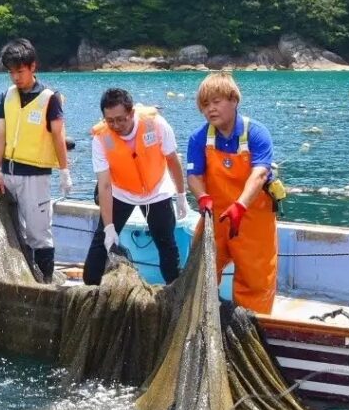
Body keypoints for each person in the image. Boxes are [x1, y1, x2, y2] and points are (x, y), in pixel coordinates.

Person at [186, 73, 279, 313]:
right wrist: (202, 196)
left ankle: (252, 324)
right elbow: (194, 175)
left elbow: (260, 173)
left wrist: (240, 205)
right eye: (205, 104)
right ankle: (202, 315)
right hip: (215, 215)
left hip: (252, 218)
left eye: (216, 102)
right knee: (201, 271)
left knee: (255, 281)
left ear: (234, 100)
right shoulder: (198, 138)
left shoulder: (256, 133)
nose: (210, 109)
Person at [82, 89, 188, 286]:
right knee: (101, 243)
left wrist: (181, 195)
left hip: (156, 190)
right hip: (121, 191)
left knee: (166, 244)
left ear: (131, 113)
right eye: (110, 121)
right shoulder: (101, 138)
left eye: (120, 119)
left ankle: (174, 289)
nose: (116, 126)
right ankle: (90, 287)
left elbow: (173, 160)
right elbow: (104, 184)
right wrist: (109, 227)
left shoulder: (156, 124)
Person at [0, 39, 72, 281]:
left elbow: (58, 136)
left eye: (20, 71)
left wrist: (64, 171)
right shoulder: (4, 98)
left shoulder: (49, 98)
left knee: (39, 233)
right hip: (8, 175)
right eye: (11, 72)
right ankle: (21, 277)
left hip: (35, 176)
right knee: (13, 232)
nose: (16, 77)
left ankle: (45, 281)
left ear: (32, 67)